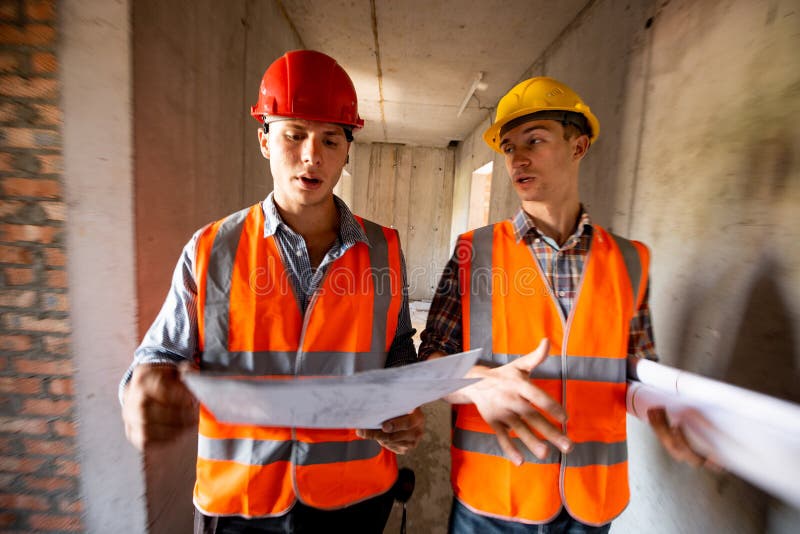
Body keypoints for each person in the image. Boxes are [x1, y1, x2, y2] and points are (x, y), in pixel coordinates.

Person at [120, 49, 425, 534]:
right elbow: (159, 355)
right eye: (294, 135)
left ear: (347, 150)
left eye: (330, 139)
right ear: (264, 140)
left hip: (353, 500)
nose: (312, 155)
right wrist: (146, 387)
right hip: (242, 504)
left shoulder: (383, 249)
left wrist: (407, 405)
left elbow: (397, 345)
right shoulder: (211, 248)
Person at [419, 77, 703, 533]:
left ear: (579, 146)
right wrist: (475, 385)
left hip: (590, 503)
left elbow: (638, 367)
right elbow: (428, 361)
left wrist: (665, 411)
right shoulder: (476, 252)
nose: (518, 158)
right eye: (509, 147)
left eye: (535, 140)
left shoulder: (630, 260)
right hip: (493, 499)